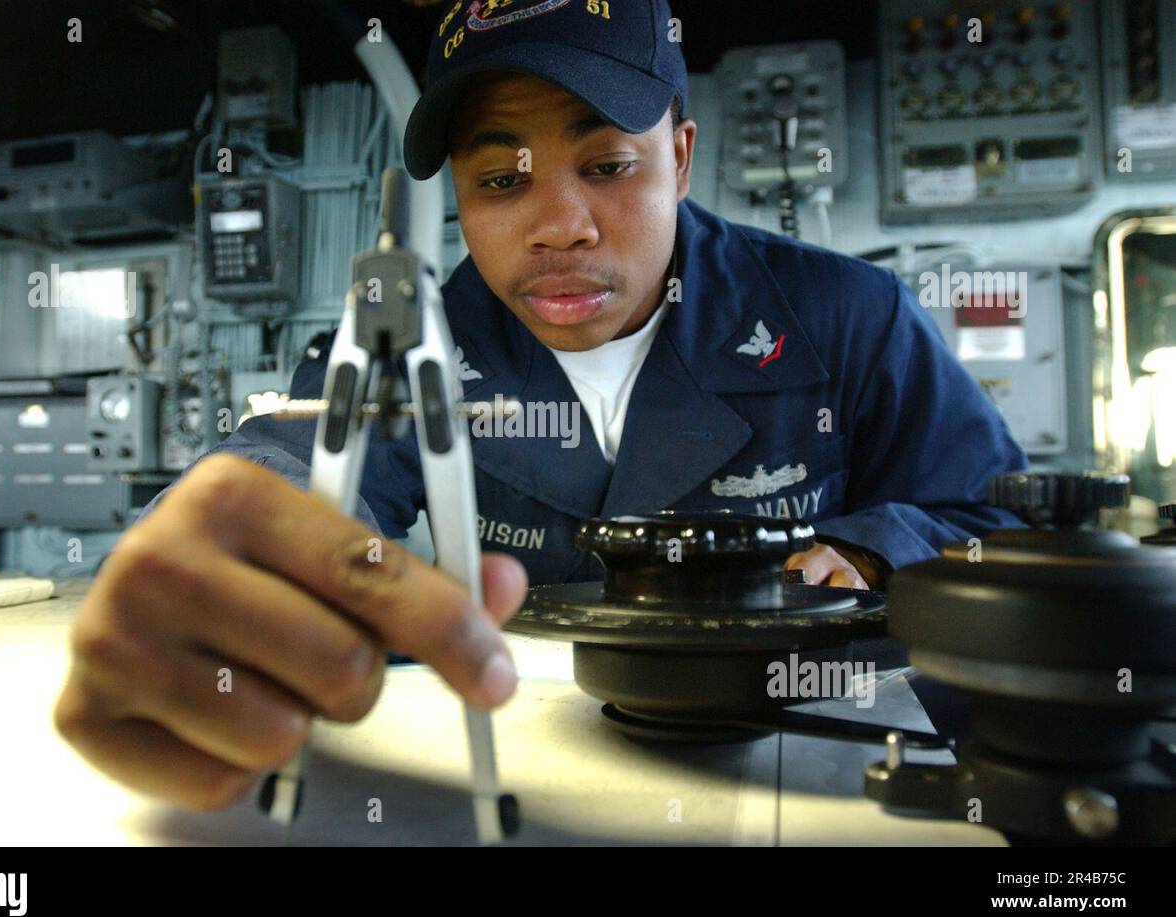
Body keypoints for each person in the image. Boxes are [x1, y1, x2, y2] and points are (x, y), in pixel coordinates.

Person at [55, 0, 1026, 810]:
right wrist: (215, 548)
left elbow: (995, 520)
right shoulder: (411, 342)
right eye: (499, 178)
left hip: (812, 757)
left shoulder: (842, 315)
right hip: (541, 768)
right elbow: (298, 469)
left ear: (680, 158)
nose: (558, 225)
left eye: (606, 166)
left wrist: (872, 546)